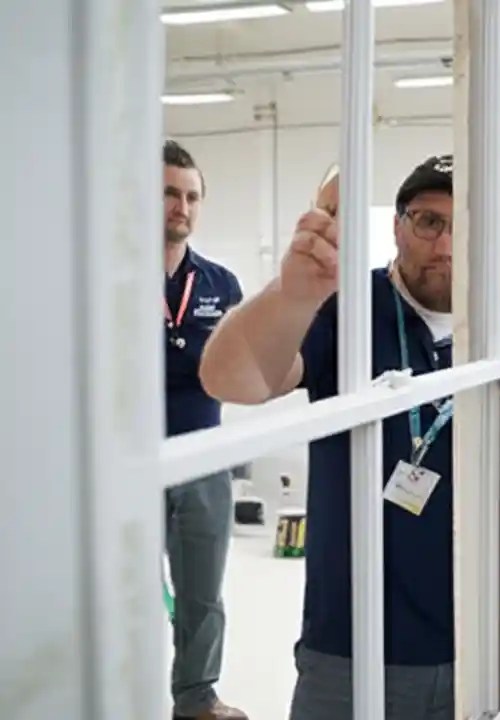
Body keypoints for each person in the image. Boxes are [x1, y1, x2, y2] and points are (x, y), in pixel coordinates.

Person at [200, 156, 458, 719]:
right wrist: (292, 295)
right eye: (429, 222)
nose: (445, 246)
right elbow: (232, 379)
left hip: (483, 640)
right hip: (350, 645)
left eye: (463, 226)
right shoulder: (347, 309)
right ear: (396, 226)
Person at [161, 140, 248, 720]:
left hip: (203, 459)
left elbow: (235, 370)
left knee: (202, 593)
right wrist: (194, 361)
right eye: (169, 193)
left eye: (191, 196)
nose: (181, 207)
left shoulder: (220, 284)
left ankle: (195, 698)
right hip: (123, 461)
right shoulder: (106, 279)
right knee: (110, 589)